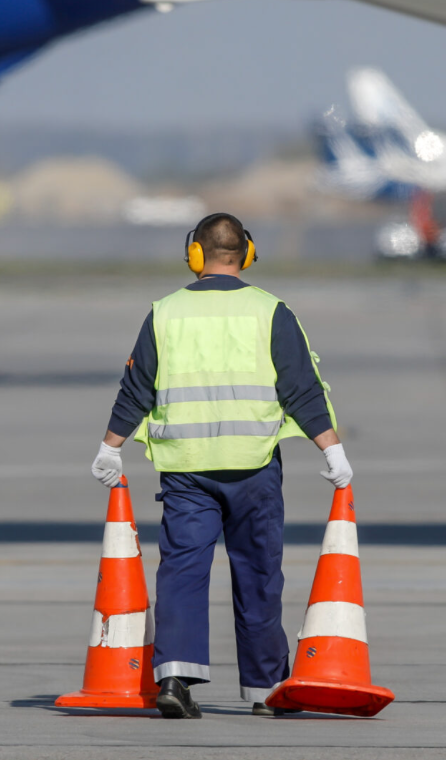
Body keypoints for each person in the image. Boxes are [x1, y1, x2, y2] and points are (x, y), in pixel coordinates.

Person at [90, 212, 353, 719]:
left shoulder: (165, 313)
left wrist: (110, 446)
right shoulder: (271, 311)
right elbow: (302, 389)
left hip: (186, 469)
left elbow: (137, 388)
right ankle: (265, 689)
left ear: (196, 253)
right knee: (258, 574)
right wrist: (331, 449)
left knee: (182, 571)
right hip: (252, 466)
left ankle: (174, 678)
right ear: (247, 253)